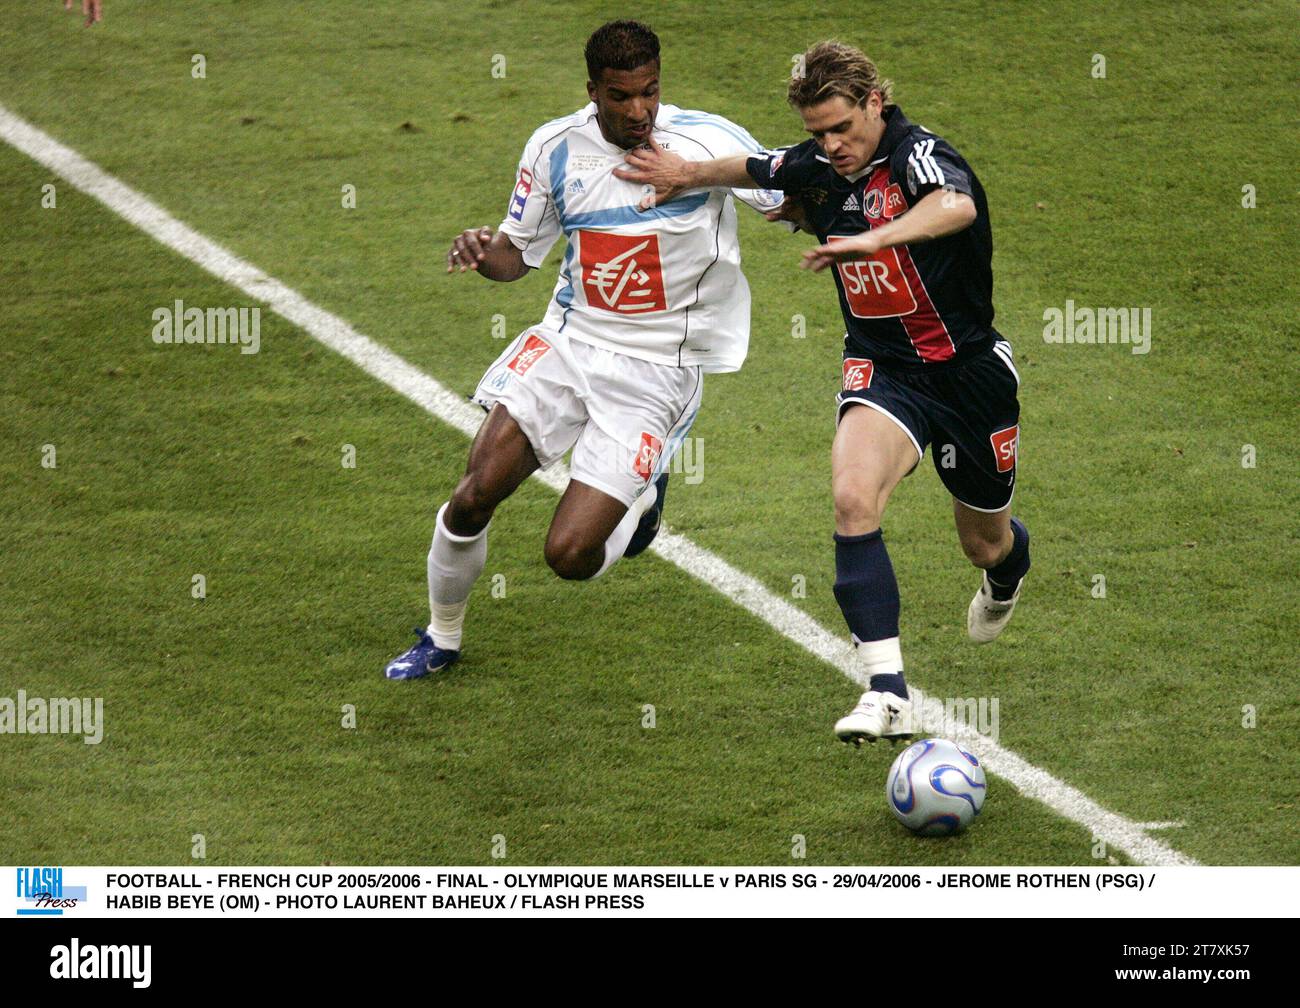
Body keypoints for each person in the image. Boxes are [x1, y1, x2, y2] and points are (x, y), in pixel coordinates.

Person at [615, 41, 1031, 743]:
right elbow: (754, 167)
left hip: (968, 376)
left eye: (843, 128)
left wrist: (876, 240)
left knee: (983, 542)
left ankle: (1007, 570)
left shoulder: (917, 156)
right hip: (884, 370)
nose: (831, 146)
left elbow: (955, 207)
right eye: (819, 133)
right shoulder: (818, 162)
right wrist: (684, 174)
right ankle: (887, 690)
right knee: (850, 498)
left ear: (876, 103)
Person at [385, 20, 784, 680]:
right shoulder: (555, 149)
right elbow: (516, 258)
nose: (639, 111)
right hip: (572, 343)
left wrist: (810, 211)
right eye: (621, 96)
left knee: (568, 555)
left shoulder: (705, 139)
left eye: (650, 92)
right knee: (474, 494)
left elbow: (788, 191)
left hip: (658, 372)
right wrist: (482, 253)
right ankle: (441, 637)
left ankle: (642, 499)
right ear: (593, 90)